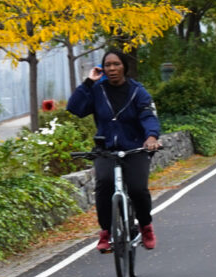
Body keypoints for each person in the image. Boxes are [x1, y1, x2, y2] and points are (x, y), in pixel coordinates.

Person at [65, 50, 163, 252]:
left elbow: (148, 116)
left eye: (116, 64)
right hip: (105, 149)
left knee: (137, 189)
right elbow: (75, 108)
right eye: (107, 65)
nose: (111, 69)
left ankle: (145, 226)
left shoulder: (138, 92)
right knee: (104, 185)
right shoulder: (97, 90)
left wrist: (151, 137)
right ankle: (106, 231)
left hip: (135, 148)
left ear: (124, 67)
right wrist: (88, 83)